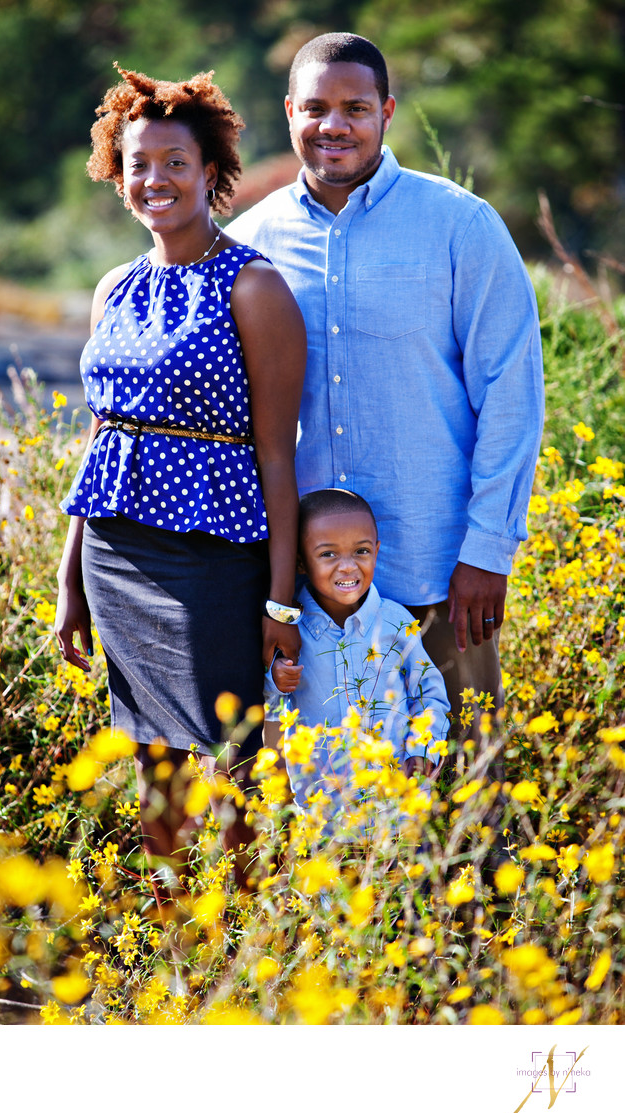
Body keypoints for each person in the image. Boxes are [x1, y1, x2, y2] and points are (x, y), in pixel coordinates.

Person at [228, 33, 544, 751]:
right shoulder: (250, 244)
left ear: (387, 112)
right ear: (289, 112)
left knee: (461, 781)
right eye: (316, 108)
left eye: (355, 108)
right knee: (316, 784)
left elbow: (510, 394)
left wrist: (488, 552)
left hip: (438, 573)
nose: (334, 125)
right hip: (304, 593)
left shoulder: (460, 225)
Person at [55, 65, 305, 911]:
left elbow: (276, 456)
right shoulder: (114, 288)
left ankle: (248, 936)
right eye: (138, 164)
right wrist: (69, 578)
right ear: (115, 173)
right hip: (116, 556)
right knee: (151, 757)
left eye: (174, 162)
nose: (154, 179)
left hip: (213, 558)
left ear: (210, 172)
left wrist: (279, 603)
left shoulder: (254, 287)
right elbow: (100, 438)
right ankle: (175, 936)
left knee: (234, 754)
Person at [266, 488, 450, 817]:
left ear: (376, 551)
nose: (348, 567)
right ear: (300, 561)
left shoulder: (396, 623)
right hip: (324, 809)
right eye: (328, 555)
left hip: (397, 802)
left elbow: (429, 694)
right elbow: (268, 708)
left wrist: (423, 749)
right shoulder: (292, 632)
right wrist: (275, 679)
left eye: (361, 551)